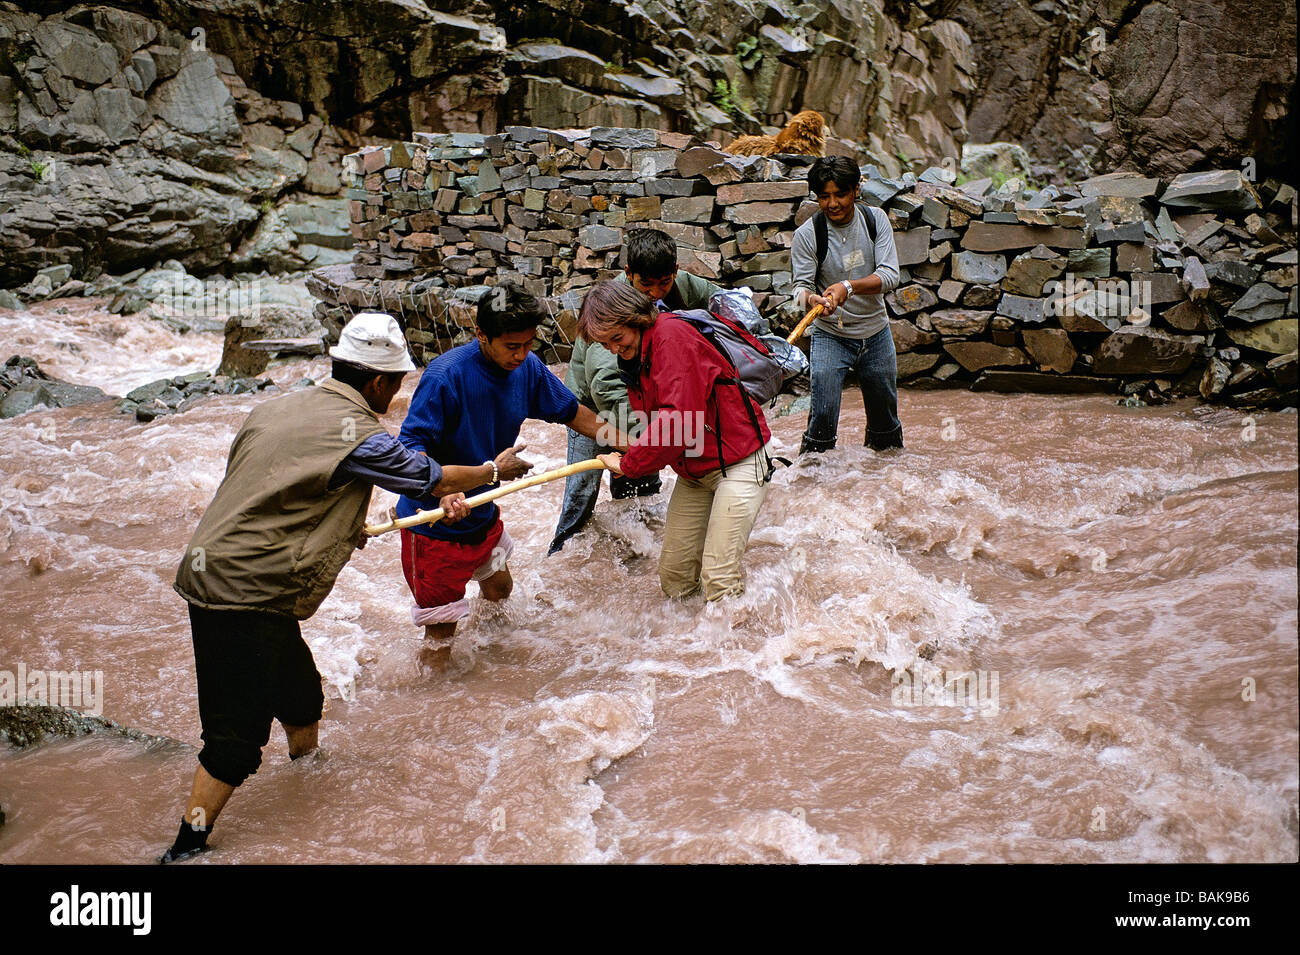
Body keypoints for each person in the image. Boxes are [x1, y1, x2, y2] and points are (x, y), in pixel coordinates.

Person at [163, 312, 504, 863]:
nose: (395, 398)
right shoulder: (361, 436)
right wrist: (493, 470)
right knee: (236, 739)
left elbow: (268, 489)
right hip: (247, 592)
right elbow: (432, 477)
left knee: (300, 692)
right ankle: (185, 847)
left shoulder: (274, 408)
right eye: (395, 386)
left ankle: (309, 774)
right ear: (377, 383)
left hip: (217, 571)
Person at [395, 282, 615, 668]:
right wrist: (442, 494)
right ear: (481, 335)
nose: (522, 354)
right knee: (441, 634)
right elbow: (411, 450)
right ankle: (439, 702)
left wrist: (630, 442)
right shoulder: (445, 376)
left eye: (529, 344)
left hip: (480, 511)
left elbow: (574, 413)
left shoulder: (527, 368)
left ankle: (491, 662)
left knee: (499, 589)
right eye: (511, 346)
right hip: (432, 528)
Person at [579, 281, 775, 601]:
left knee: (719, 578)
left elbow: (679, 422)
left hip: (740, 460)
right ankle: (692, 646)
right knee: (675, 576)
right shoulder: (634, 356)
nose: (613, 349)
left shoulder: (672, 337)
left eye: (617, 338)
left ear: (637, 318)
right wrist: (635, 453)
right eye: (605, 344)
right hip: (695, 470)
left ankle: (741, 648)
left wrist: (631, 464)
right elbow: (659, 423)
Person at [549, 228, 723, 553]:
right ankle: (562, 554)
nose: (656, 294)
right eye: (646, 285)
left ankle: (635, 553)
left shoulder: (683, 284)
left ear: (675, 271)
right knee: (582, 490)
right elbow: (606, 386)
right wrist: (645, 447)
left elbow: (727, 306)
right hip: (591, 411)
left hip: (643, 404)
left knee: (642, 491)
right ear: (629, 275)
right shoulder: (612, 312)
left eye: (664, 283)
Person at [790, 156, 904, 453]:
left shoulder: (874, 220)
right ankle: (812, 484)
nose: (832, 204)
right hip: (830, 335)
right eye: (823, 196)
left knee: (885, 422)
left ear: (856, 189)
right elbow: (798, 290)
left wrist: (848, 287)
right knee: (822, 419)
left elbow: (890, 275)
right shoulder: (808, 235)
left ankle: (886, 482)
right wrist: (811, 300)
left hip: (876, 334)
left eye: (840, 194)